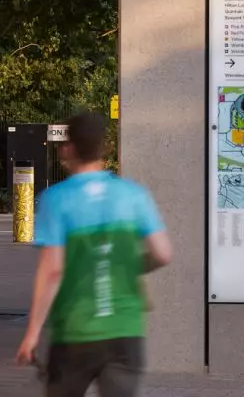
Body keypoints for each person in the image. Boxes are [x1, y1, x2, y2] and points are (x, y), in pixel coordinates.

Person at [16, 111, 172, 395]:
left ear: (68, 148)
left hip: (76, 331)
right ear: (105, 147)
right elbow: (162, 253)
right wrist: (128, 265)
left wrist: (32, 333)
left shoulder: (56, 199)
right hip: (125, 330)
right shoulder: (133, 194)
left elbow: (52, 270)